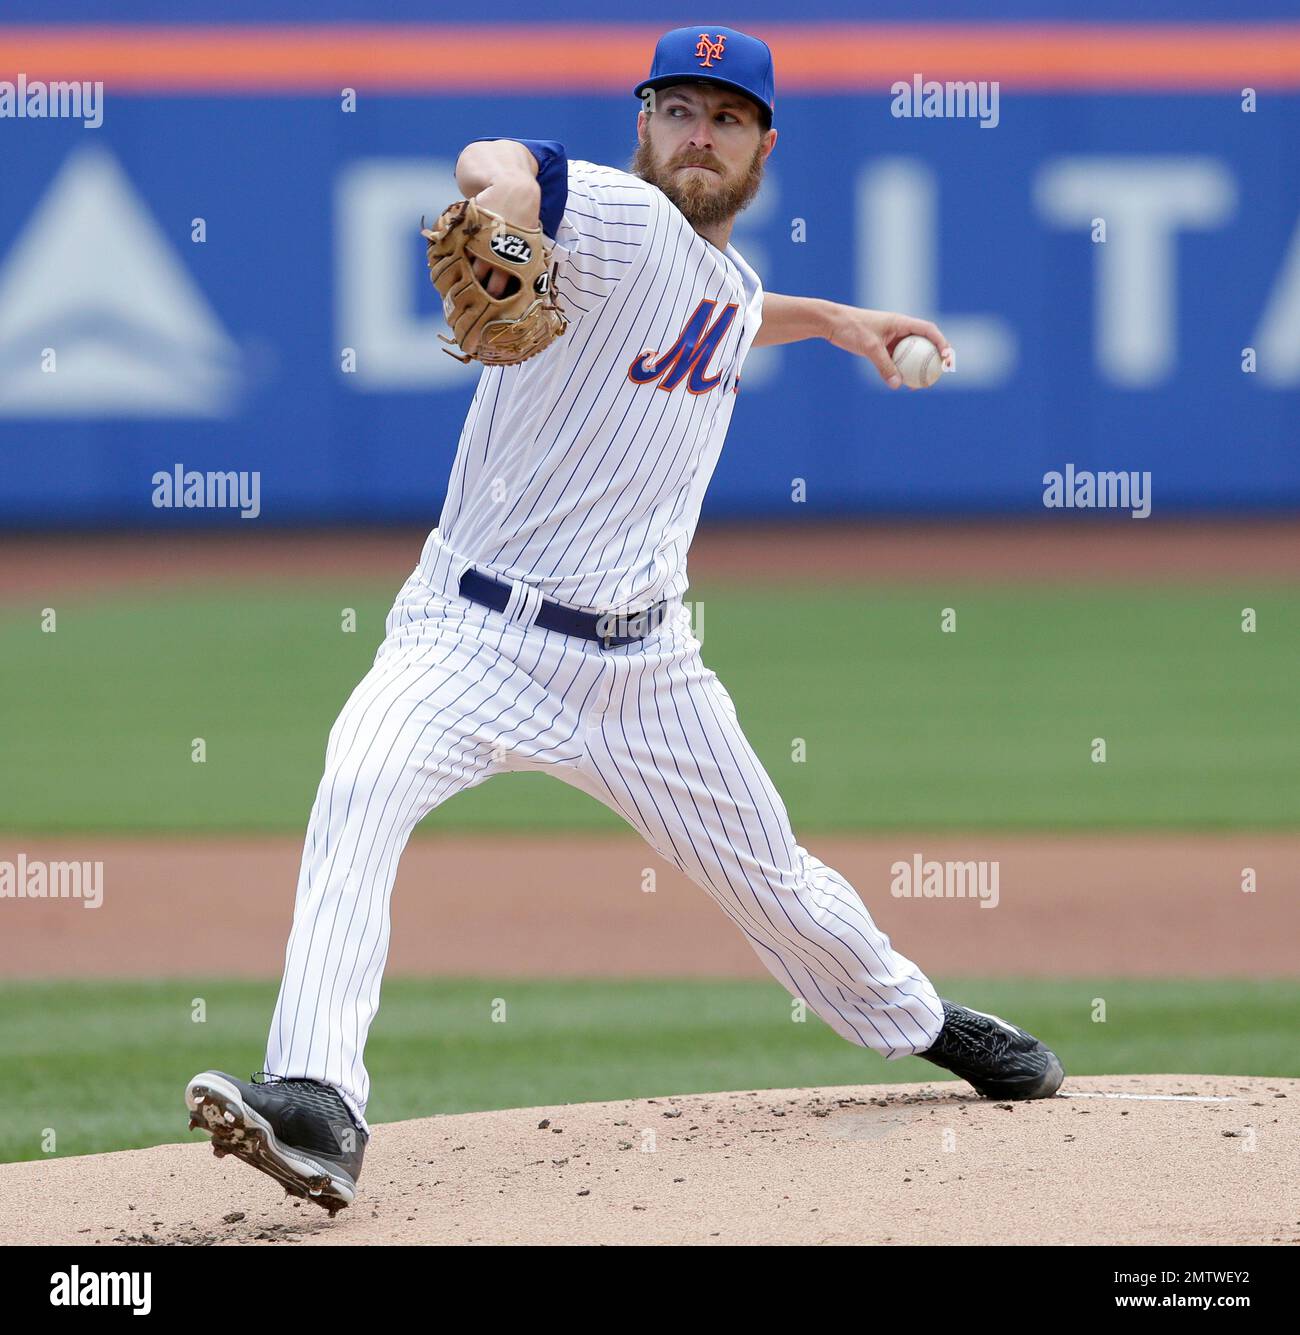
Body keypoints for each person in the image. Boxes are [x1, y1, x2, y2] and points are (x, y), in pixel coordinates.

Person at [186, 24, 1063, 1216]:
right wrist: (508, 216)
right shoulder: (607, 214)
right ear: (641, 123)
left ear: (761, 146)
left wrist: (843, 320)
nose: (698, 135)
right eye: (678, 111)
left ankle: (921, 1022)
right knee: (359, 790)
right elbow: (494, 160)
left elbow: (734, 310)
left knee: (776, 880)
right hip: (470, 636)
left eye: (726, 118)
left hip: (647, 666)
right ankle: (313, 1099)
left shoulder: (718, 275)